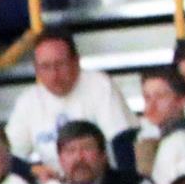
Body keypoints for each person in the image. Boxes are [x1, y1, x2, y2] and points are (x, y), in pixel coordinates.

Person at [7, 32, 134, 176]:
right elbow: (8, 156)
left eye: (60, 64)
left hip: (101, 180)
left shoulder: (100, 85)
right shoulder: (28, 101)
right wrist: (33, 170)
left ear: (76, 62)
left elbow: (121, 143)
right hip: (55, 183)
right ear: (36, 69)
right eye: (45, 67)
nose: (54, 74)